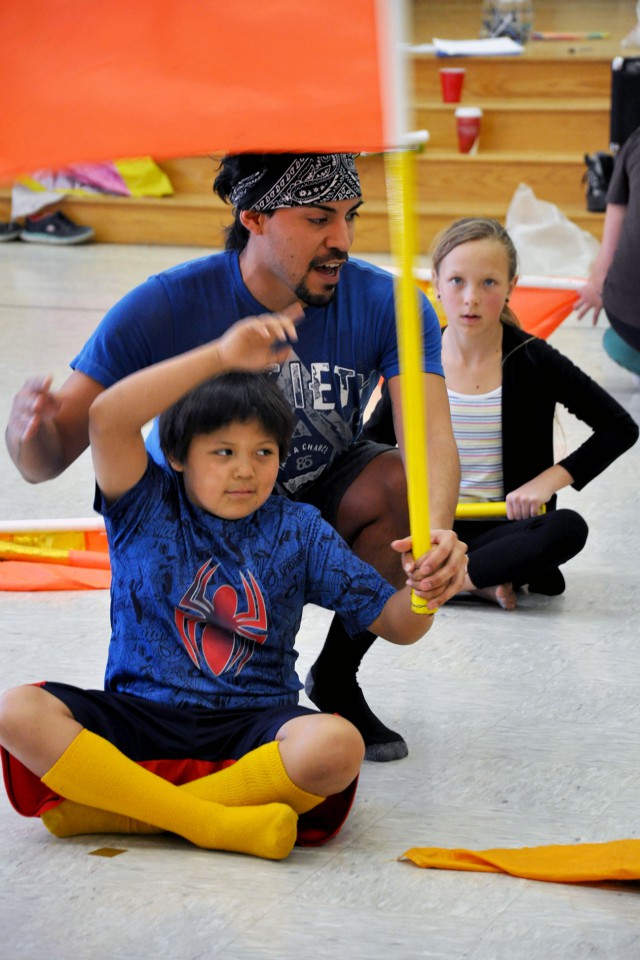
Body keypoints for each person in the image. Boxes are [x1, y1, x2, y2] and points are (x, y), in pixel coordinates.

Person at [5, 151, 467, 762]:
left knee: (394, 485)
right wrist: (25, 431)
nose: (343, 241)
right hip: (189, 520)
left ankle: (331, 679)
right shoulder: (167, 302)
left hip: (304, 511)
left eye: (351, 217)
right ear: (252, 216)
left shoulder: (388, 303)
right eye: (318, 219)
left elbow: (430, 439)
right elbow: (49, 457)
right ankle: (167, 700)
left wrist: (436, 543)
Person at [0, 312, 435, 859]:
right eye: (223, 452)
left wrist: (426, 588)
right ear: (179, 457)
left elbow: (398, 624)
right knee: (16, 710)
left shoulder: (297, 529)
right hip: (139, 717)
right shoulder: (145, 505)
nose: (245, 471)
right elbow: (108, 415)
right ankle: (209, 822)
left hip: (250, 729)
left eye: (263, 453)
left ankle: (122, 811)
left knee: (337, 745)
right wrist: (222, 356)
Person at [365, 218, 638, 610]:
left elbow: (619, 427)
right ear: (436, 285)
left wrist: (548, 481)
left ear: (511, 286)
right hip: (430, 527)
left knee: (567, 528)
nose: (471, 298)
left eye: (489, 283)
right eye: (457, 281)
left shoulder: (533, 358)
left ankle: (450, 580)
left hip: (506, 531)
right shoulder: (416, 360)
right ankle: (476, 581)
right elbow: (371, 445)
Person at [576, 126, 640, 377]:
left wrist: (600, 284)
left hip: (629, 322)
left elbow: (605, 258)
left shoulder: (634, 141)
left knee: (614, 343)